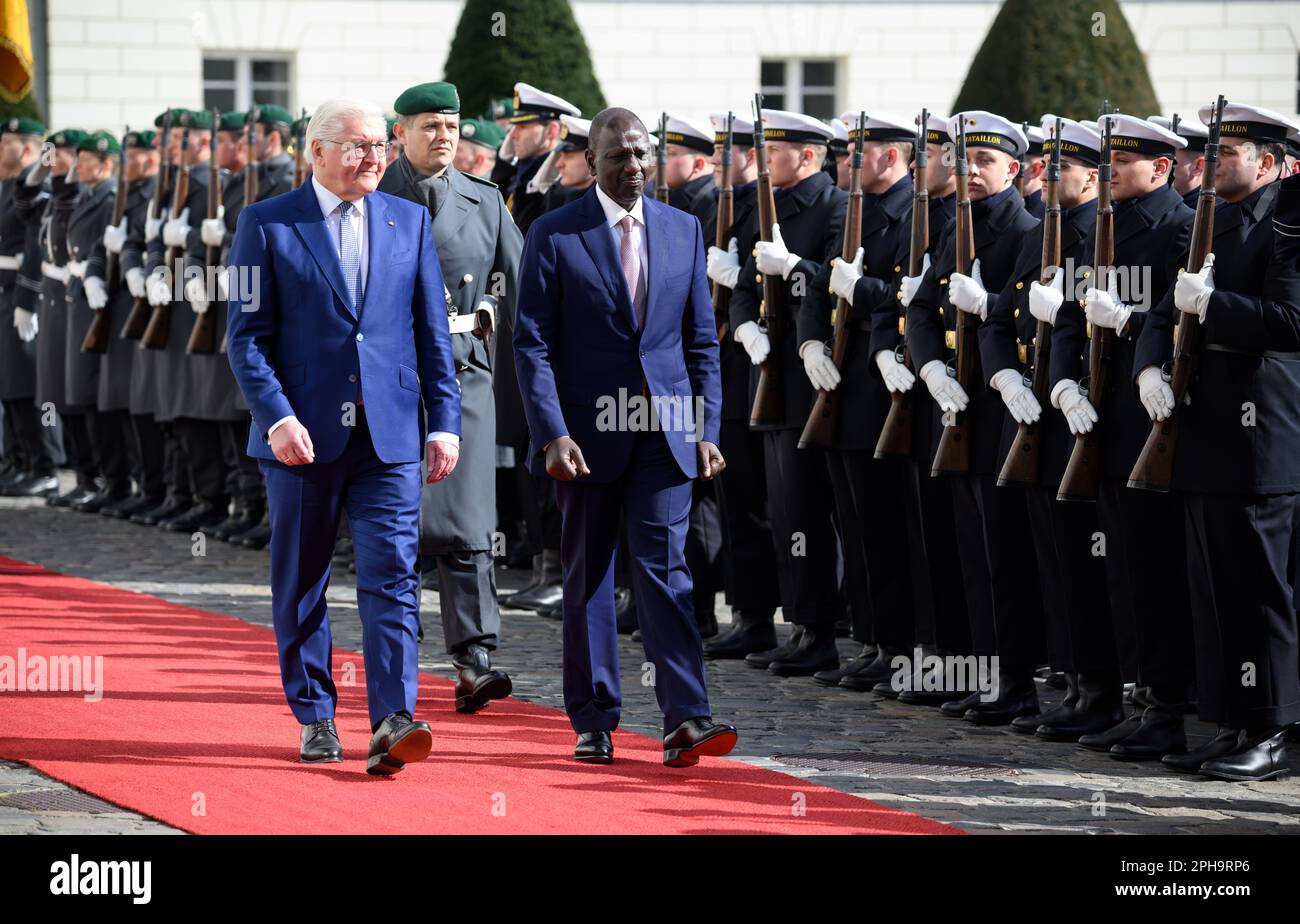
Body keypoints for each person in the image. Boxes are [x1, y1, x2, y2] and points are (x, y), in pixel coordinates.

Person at [226, 97, 461, 774]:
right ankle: (315, 713)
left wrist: (444, 421)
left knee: (391, 577)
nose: (372, 158)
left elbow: (430, 334)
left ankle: (393, 717)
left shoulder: (407, 220)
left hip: (389, 437)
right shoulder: (265, 225)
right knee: (301, 578)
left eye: (378, 147)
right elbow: (245, 340)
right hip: (300, 439)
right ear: (318, 152)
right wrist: (277, 417)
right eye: (356, 146)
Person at [512, 106, 737, 767]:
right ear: (593, 161)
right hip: (585, 436)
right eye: (619, 157)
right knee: (590, 577)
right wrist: (551, 432)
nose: (633, 167)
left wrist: (705, 430)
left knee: (666, 573)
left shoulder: (683, 230)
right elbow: (532, 344)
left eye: (642, 155)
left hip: (662, 436)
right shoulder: (555, 233)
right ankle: (594, 717)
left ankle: (686, 718)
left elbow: (700, 341)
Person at [1133, 102, 1300, 782]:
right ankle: (1232, 721)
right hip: (1203, 430)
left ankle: (1271, 728)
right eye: (1208, 154)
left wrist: (1214, 306)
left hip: (1261, 435)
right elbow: (1164, 310)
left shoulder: (1290, 225)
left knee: (1259, 591)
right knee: (1213, 588)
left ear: (1266, 163)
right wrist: (1150, 364)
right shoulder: (1214, 221)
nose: (1209, 166)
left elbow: (1291, 321)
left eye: (1225, 155)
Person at [382, 80, 522, 713]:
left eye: (451, 124)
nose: (443, 135)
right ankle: (398, 658)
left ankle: (474, 658)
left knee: (468, 523)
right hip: (392, 377)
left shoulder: (485, 199)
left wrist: (489, 303)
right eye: (429, 126)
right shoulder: (373, 197)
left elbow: (518, 282)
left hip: (464, 375)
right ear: (401, 135)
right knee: (398, 521)